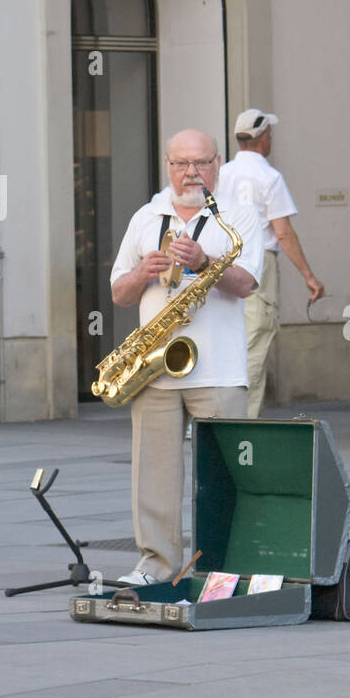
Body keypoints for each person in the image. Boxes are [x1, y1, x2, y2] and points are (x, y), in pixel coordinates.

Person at [108, 129, 263, 586]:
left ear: (219, 163)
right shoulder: (145, 216)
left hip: (218, 366)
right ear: (167, 165)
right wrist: (142, 272)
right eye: (181, 163)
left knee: (224, 475)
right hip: (156, 366)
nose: (191, 172)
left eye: (200, 162)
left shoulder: (238, 215)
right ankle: (155, 565)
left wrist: (203, 261)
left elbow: (247, 284)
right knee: (152, 474)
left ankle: (222, 566)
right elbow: (119, 293)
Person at [222, 109, 326, 418]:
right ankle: (240, 418)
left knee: (225, 339)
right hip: (257, 263)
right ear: (263, 138)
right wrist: (309, 275)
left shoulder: (222, 173)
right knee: (254, 342)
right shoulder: (269, 177)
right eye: (270, 135)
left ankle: (209, 413)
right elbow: (282, 232)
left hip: (219, 262)